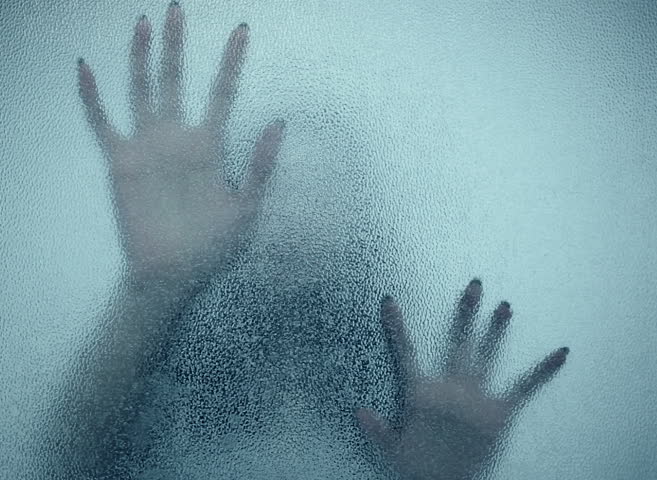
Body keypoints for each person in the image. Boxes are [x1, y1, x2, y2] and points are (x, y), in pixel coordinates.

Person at [57, 3, 569, 479]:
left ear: (359, 216)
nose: (299, 209)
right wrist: (154, 289)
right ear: (236, 193)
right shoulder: (185, 351)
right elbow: (74, 462)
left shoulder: (399, 381)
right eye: (279, 182)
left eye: (325, 186)